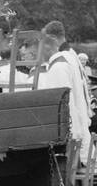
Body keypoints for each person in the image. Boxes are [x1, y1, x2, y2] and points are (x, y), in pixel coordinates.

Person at [37, 22, 92, 172]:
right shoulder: (71, 54)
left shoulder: (61, 61)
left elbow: (61, 97)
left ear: (53, 39)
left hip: (72, 122)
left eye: (45, 41)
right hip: (79, 117)